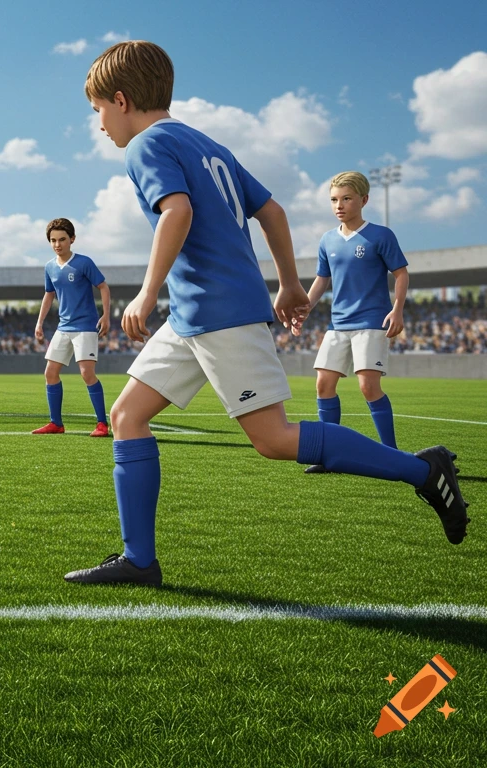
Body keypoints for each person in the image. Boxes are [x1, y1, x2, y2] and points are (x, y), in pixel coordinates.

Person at [64, 41, 468, 587]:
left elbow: (177, 212)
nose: (99, 124)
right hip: (192, 314)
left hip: (220, 310)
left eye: (98, 110)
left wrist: (145, 292)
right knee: (127, 416)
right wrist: (289, 283)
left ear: (121, 99)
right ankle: (139, 561)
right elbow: (271, 210)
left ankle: (424, 470)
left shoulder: (145, 144)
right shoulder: (207, 144)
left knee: (274, 439)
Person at [303, 171, 409, 473]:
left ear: (364, 200)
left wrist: (397, 309)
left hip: (372, 321)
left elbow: (401, 274)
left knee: (368, 387)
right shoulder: (327, 240)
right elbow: (322, 279)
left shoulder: (381, 235)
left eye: (347, 198)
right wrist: (305, 307)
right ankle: (328, 455)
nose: (339, 205)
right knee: (323, 385)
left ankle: (392, 455)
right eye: (334, 200)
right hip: (338, 324)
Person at [32, 217, 112, 437]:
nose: (57, 244)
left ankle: (102, 424)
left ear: (72, 239)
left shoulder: (84, 262)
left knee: (87, 374)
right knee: (50, 373)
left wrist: (106, 316)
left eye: (62, 239)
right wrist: (39, 322)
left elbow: (103, 287)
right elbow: (49, 295)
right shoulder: (49, 267)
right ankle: (56, 423)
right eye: (53, 240)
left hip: (85, 326)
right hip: (63, 327)